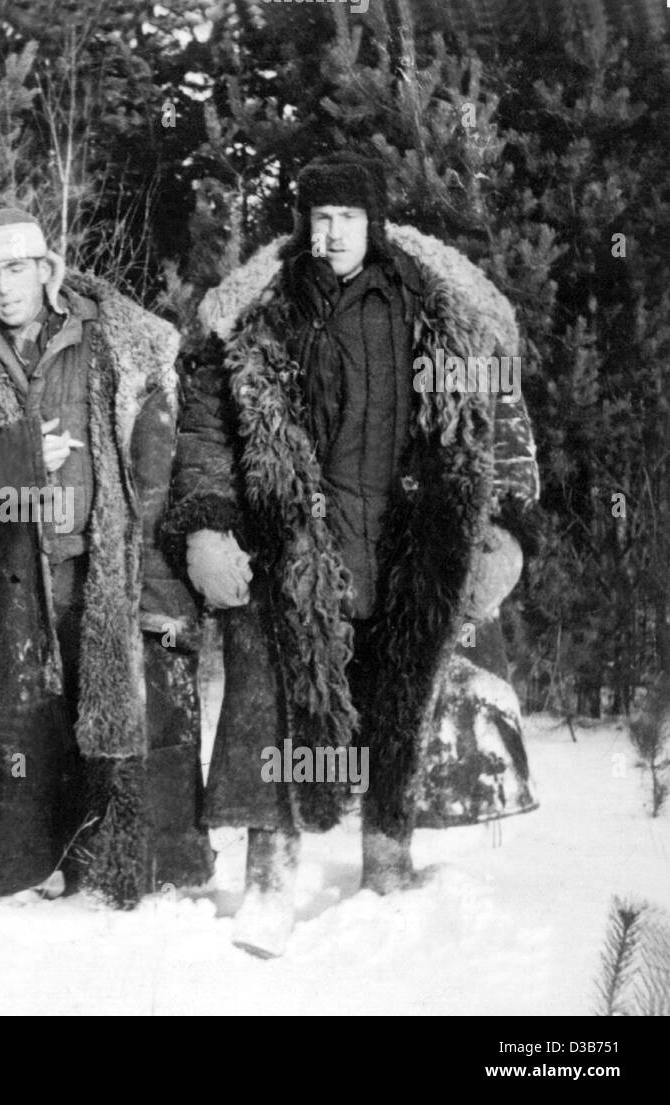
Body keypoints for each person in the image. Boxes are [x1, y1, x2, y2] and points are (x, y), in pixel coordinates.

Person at [166, 152, 541, 956]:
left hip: (405, 542)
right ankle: (271, 878)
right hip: (290, 542)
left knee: (398, 699)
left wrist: (502, 533)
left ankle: (389, 864)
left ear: (374, 221)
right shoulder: (256, 314)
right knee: (272, 701)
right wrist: (206, 524)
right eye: (320, 218)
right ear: (303, 223)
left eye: (348, 218)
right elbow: (205, 434)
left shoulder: (437, 308)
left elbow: (498, 432)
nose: (332, 234)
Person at [0, 208, 212, 905]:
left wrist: (156, 556)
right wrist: (14, 458)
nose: (5, 288)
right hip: (13, 568)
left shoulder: (113, 335)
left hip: (100, 558)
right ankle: (41, 859)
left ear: (46, 269)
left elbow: (158, 455)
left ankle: (127, 860)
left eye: (16, 269)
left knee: (113, 708)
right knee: (29, 721)